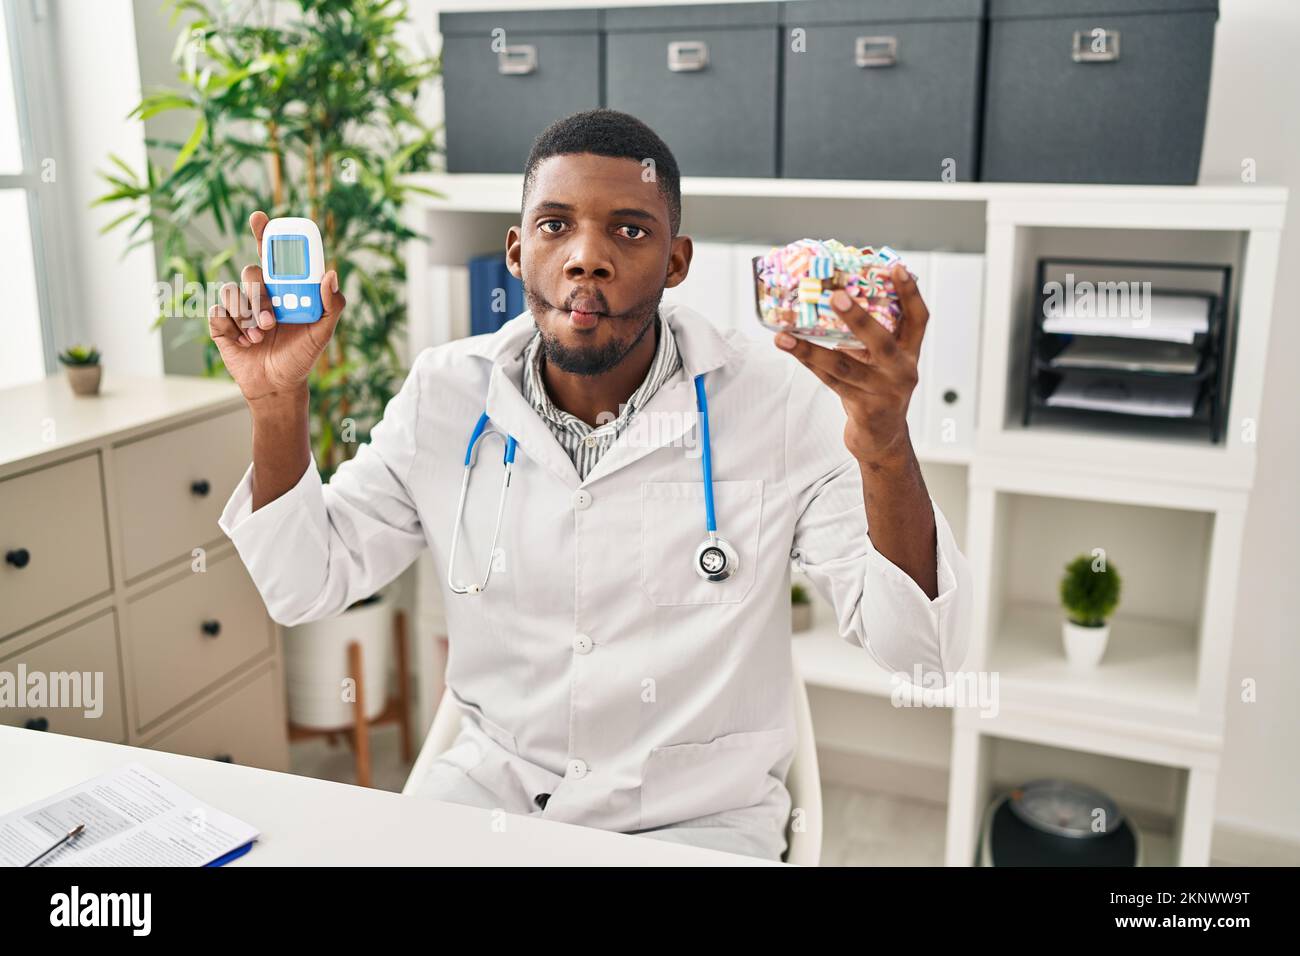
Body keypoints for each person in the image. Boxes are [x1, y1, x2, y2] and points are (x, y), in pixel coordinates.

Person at [212, 108, 972, 862]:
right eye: (554, 225)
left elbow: (923, 656)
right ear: (515, 251)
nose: (586, 258)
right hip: (491, 801)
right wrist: (278, 405)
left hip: (698, 822)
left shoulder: (777, 401)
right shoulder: (445, 394)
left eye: (630, 231)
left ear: (677, 263)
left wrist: (884, 446)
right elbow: (302, 586)